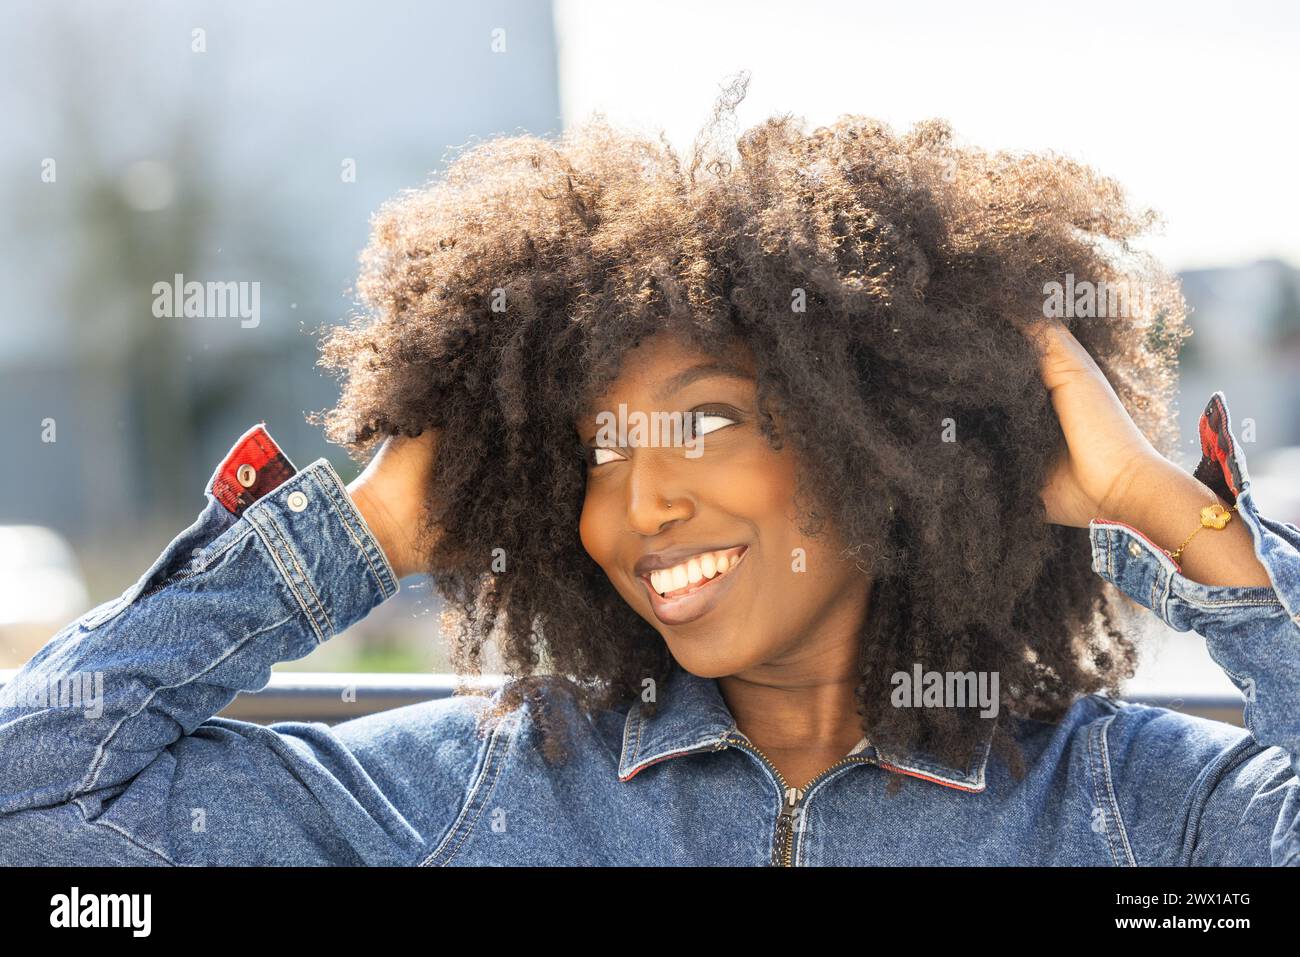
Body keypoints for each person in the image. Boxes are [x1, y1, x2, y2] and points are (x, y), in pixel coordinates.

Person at [2, 106, 1297, 866]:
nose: (637, 505)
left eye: (705, 423)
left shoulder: (1134, 813)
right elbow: (41, 801)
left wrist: (1170, 521)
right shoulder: (480, 795)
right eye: (597, 450)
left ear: (884, 440)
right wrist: (362, 531)